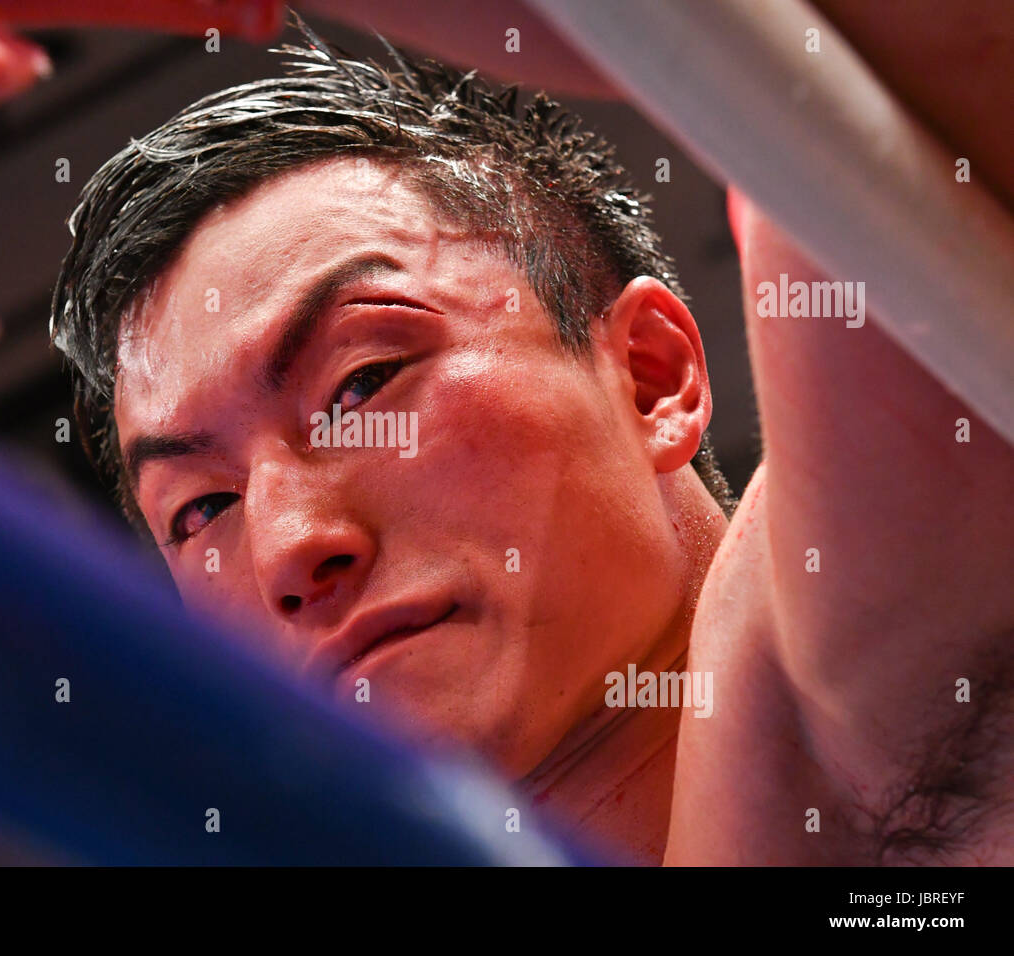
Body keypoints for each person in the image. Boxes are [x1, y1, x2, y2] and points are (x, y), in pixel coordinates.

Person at [50, 13, 1014, 864]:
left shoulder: (860, 681)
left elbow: (924, 56)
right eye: (202, 508)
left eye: (362, 384)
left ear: (651, 377)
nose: (287, 548)